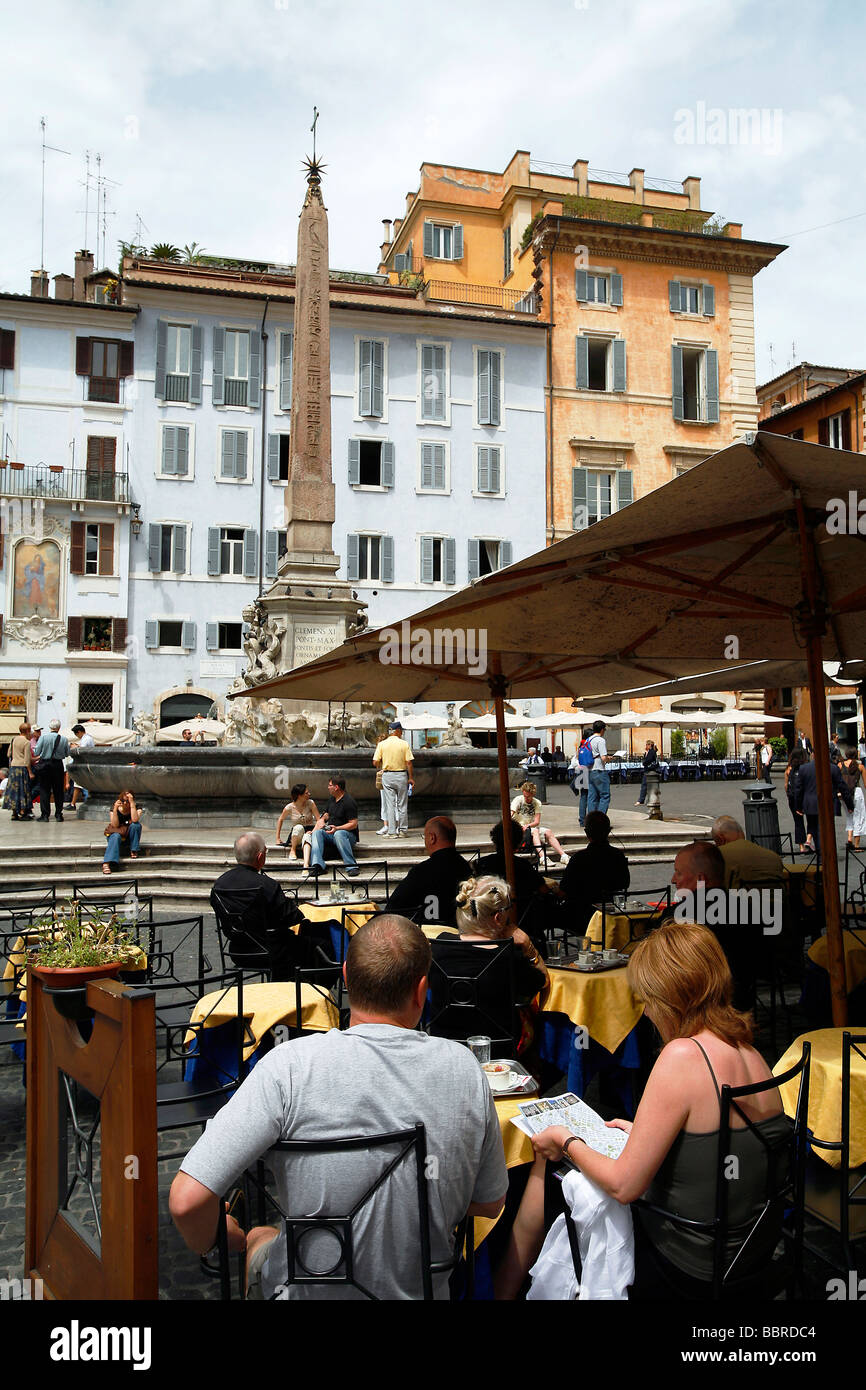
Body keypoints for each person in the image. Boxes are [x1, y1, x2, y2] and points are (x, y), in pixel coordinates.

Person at [169, 915, 508, 1300]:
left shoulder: (288, 1066)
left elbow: (186, 1201)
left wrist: (219, 1240)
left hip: (307, 1289)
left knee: (261, 1237)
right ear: (422, 990)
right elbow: (491, 1201)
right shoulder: (464, 1067)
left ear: (346, 977)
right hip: (422, 1289)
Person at [495, 923, 791, 1300]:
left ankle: (504, 1291)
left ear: (672, 996)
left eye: (648, 998)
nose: (646, 1012)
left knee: (548, 1164)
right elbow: (716, 1142)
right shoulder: (748, 1050)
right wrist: (642, 1131)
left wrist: (565, 1140)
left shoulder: (683, 1055)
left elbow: (623, 1186)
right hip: (751, 1251)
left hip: (689, 1263)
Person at [430, 877, 548, 1049]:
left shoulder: (440, 945)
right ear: (499, 917)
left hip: (445, 1044)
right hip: (497, 1049)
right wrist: (528, 947)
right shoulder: (509, 957)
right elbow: (543, 982)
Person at [210, 832, 308, 980]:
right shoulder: (266, 884)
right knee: (317, 946)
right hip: (273, 951)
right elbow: (293, 917)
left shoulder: (219, 884)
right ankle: (310, 994)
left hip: (236, 950)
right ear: (260, 857)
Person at [476, 819, 552, 954]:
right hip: (524, 924)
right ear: (517, 842)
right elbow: (543, 889)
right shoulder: (523, 866)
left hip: (489, 923)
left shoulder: (482, 864)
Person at [385, 816, 472, 927]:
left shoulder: (421, 872)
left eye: (424, 837)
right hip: (465, 933)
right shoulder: (466, 867)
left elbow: (393, 908)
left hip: (432, 938)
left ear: (432, 838)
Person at [560, 811, 630, 933]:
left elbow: (564, 890)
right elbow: (625, 883)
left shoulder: (579, 858)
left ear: (587, 833)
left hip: (580, 917)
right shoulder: (618, 856)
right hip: (611, 913)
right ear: (609, 831)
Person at [794, 750, 853, 859]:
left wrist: (798, 806)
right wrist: (849, 805)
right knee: (827, 829)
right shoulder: (833, 768)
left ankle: (820, 852)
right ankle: (826, 853)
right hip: (827, 804)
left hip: (810, 803)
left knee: (814, 829)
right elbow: (842, 787)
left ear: (813, 755)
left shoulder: (804, 768)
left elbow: (798, 789)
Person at [306, 775, 360, 880]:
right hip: (331, 833)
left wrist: (338, 828)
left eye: (330, 785)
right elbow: (327, 813)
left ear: (336, 787)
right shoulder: (332, 799)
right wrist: (322, 819)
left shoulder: (349, 802)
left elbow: (353, 824)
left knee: (339, 834)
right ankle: (317, 865)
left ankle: (351, 866)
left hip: (347, 835)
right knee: (317, 833)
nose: (328, 787)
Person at [710, 816, 784, 886]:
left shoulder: (719, 856)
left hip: (739, 899)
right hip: (776, 898)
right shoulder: (774, 857)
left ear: (721, 839)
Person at [510, 782, 569, 865]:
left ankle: (563, 856)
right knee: (535, 831)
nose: (526, 798)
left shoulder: (537, 802)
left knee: (548, 831)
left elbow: (537, 822)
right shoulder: (518, 800)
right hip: (518, 828)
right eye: (525, 796)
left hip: (528, 827)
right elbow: (510, 815)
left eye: (528, 796)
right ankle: (543, 858)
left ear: (533, 794)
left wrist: (527, 826)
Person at [372, 721, 414, 837]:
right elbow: (409, 762)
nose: (401, 733)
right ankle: (402, 831)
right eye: (401, 731)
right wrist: (411, 778)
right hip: (401, 775)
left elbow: (375, 762)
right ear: (398, 731)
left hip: (387, 776)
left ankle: (391, 832)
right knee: (402, 804)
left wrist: (383, 762)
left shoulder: (382, 744)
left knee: (390, 805)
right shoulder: (404, 744)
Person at [34, 719, 70, 821]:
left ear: (50, 727)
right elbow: (67, 753)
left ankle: (45, 815)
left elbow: (37, 752)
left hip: (45, 765)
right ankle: (58, 814)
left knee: (44, 789)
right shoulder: (64, 739)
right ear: (59, 728)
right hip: (58, 765)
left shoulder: (43, 738)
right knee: (58, 790)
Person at [275, 783, 319, 865]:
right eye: (306, 793)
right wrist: (278, 838)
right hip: (297, 832)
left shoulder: (311, 803)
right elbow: (280, 819)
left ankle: (306, 863)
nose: (309, 794)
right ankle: (293, 850)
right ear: (299, 795)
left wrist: (314, 831)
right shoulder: (289, 807)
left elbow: (318, 820)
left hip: (310, 830)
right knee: (298, 827)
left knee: (307, 836)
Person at [102, 789, 142, 872]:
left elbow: (134, 819)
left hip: (129, 835)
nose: (125, 803)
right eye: (123, 800)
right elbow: (114, 825)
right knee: (115, 836)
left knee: (136, 825)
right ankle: (107, 863)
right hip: (117, 833)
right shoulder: (114, 808)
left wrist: (131, 804)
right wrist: (115, 809)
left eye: (127, 801)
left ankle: (134, 849)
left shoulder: (136, 806)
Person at [3, 723, 34, 821]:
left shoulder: (14, 739)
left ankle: (14, 813)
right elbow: (27, 759)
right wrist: (30, 772)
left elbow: (8, 754)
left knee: (13, 790)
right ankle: (22, 812)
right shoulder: (26, 742)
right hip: (22, 768)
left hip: (13, 767)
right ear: (28, 731)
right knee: (22, 790)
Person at [784, 749, 810, 852]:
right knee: (811, 820)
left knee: (798, 822)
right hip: (805, 796)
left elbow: (786, 785)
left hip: (792, 797)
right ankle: (809, 839)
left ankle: (801, 846)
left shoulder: (788, 769)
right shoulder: (805, 768)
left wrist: (788, 795)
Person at [841, 747, 866, 849]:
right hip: (857, 792)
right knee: (858, 817)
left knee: (849, 815)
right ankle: (856, 844)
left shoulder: (840, 765)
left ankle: (849, 838)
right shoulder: (860, 766)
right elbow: (865, 783)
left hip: (845, 794)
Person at [586, 719, 611, 816]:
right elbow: (603, 758)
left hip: (590, 770)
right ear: (602, 729)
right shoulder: (600, 740)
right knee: (605, 795)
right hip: (599, 770)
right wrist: (609, 758)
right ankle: (600, 819)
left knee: (592, 796)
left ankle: (591, 819)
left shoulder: (588, 739)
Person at [69, 723, 94, 808]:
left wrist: (75, 747)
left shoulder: (86, 739)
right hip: (84, 764)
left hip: (84, 764)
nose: (77, 736)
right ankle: (73, 803)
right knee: (79, 785)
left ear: (79, 732)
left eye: (76, 734)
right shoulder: (87, 738)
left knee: (81, 784)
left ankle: (81, 803)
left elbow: (81, 751)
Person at [636, 740, 658, 807]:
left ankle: (641, 800)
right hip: (651, 770)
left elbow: (648, 760)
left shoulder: (651, 752)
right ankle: (651, 800)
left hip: (649, 770)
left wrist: (644, 762)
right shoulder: (651, 751)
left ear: (649, 745)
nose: (645, 746)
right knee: (649, 786)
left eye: (646, 745)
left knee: (644, 785)